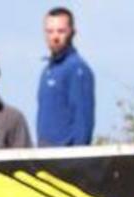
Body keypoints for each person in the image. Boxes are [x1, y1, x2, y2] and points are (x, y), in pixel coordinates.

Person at [37, 7, 95, 146]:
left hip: (65, 153)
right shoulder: (48, 70)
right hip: (45, 152)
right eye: (50, 31)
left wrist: (77, 153)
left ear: (72, 32)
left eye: (61, 31)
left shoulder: (76, 69)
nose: (55, 37)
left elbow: (83, 120)